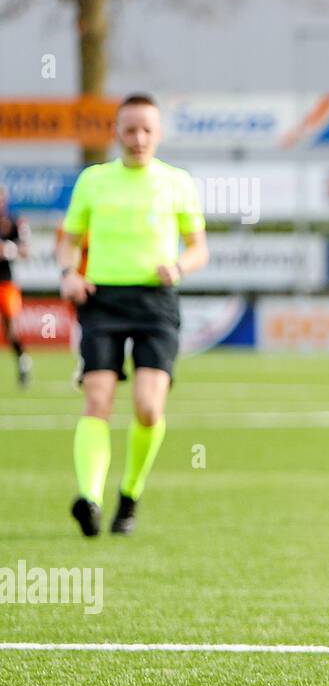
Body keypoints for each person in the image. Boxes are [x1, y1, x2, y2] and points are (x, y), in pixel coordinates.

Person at [57, 93, 208, 537]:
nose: (138, 138)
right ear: (117, 133)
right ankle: (90, 499)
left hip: (156, 303)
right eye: (130, 129)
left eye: (147, 130)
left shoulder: (177, 182)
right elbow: (67, 240)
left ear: (158, 134)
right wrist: (68, 273)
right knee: (98, 398)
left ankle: (130, 493)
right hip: (101, 300)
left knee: (147, 408)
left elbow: (200, 248)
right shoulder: (94, 180)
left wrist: (179, 266)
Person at [0, 186, 33, 387]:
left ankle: (22, 361)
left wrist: (7, 250)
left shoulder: (13, 221)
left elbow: (25, 250)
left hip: (6, 282)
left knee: (11, 329)